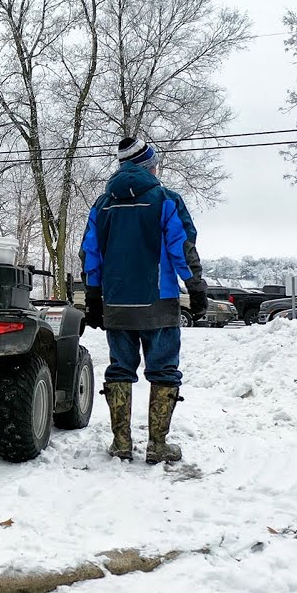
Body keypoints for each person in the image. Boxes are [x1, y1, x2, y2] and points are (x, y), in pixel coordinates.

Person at [79, 137, 207, 463]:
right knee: (163, 370)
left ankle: (121, 444)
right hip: (158, 303)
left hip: (117, 302)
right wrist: (195, 286)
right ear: (149, 165)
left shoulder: (102, 205)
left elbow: (90, 253)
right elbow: (182, 247)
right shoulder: (166, 200)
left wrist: (93, 296)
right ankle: (157, 445)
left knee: (120, 369)